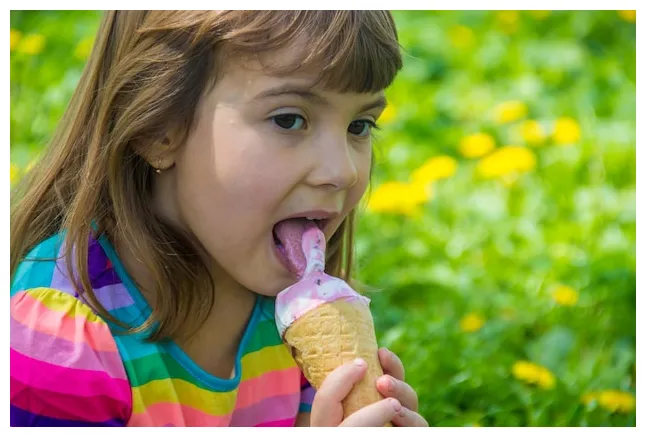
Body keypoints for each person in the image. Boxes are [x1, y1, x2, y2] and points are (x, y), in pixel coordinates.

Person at [10, 10, 427, 427]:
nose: (342, 171)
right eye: (289, 119)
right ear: (160, 129)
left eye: (360, 125)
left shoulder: (294, 319)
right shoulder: (59, 344)